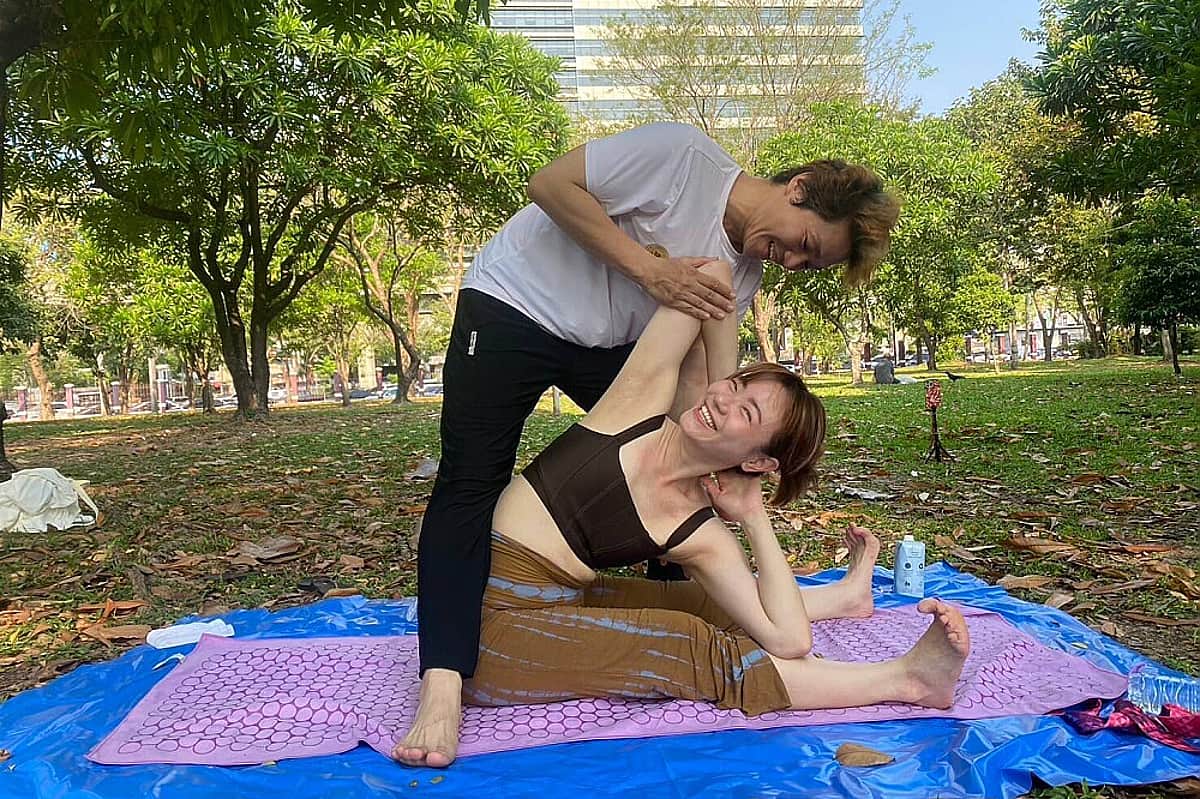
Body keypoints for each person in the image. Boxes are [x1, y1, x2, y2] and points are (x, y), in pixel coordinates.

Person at [396, 122, 901, 766]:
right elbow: (550, 184)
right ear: (797, 189)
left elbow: (710, 376)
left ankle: (764, 601)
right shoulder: (680, 157)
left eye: (811, 264)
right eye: (806, 244)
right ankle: (441, 683)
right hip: (517, 307)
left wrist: (735, 462)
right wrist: (650, 271)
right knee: (471, 479)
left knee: (679, 469)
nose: (795, 263)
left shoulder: (744, 272)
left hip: (602, 342)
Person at [460, 260, 969, 721]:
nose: (722, 398)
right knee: (685, 641)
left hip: (561, 605)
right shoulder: (636, 404)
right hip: (479, 635)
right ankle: (898, 673)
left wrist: (753, 515)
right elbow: (714, 275)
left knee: (695, 602)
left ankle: (877, 639)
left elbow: (789, 639)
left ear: (759, 461)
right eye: (736, 385)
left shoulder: (699, 532)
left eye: (746, 411)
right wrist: (726, 392)